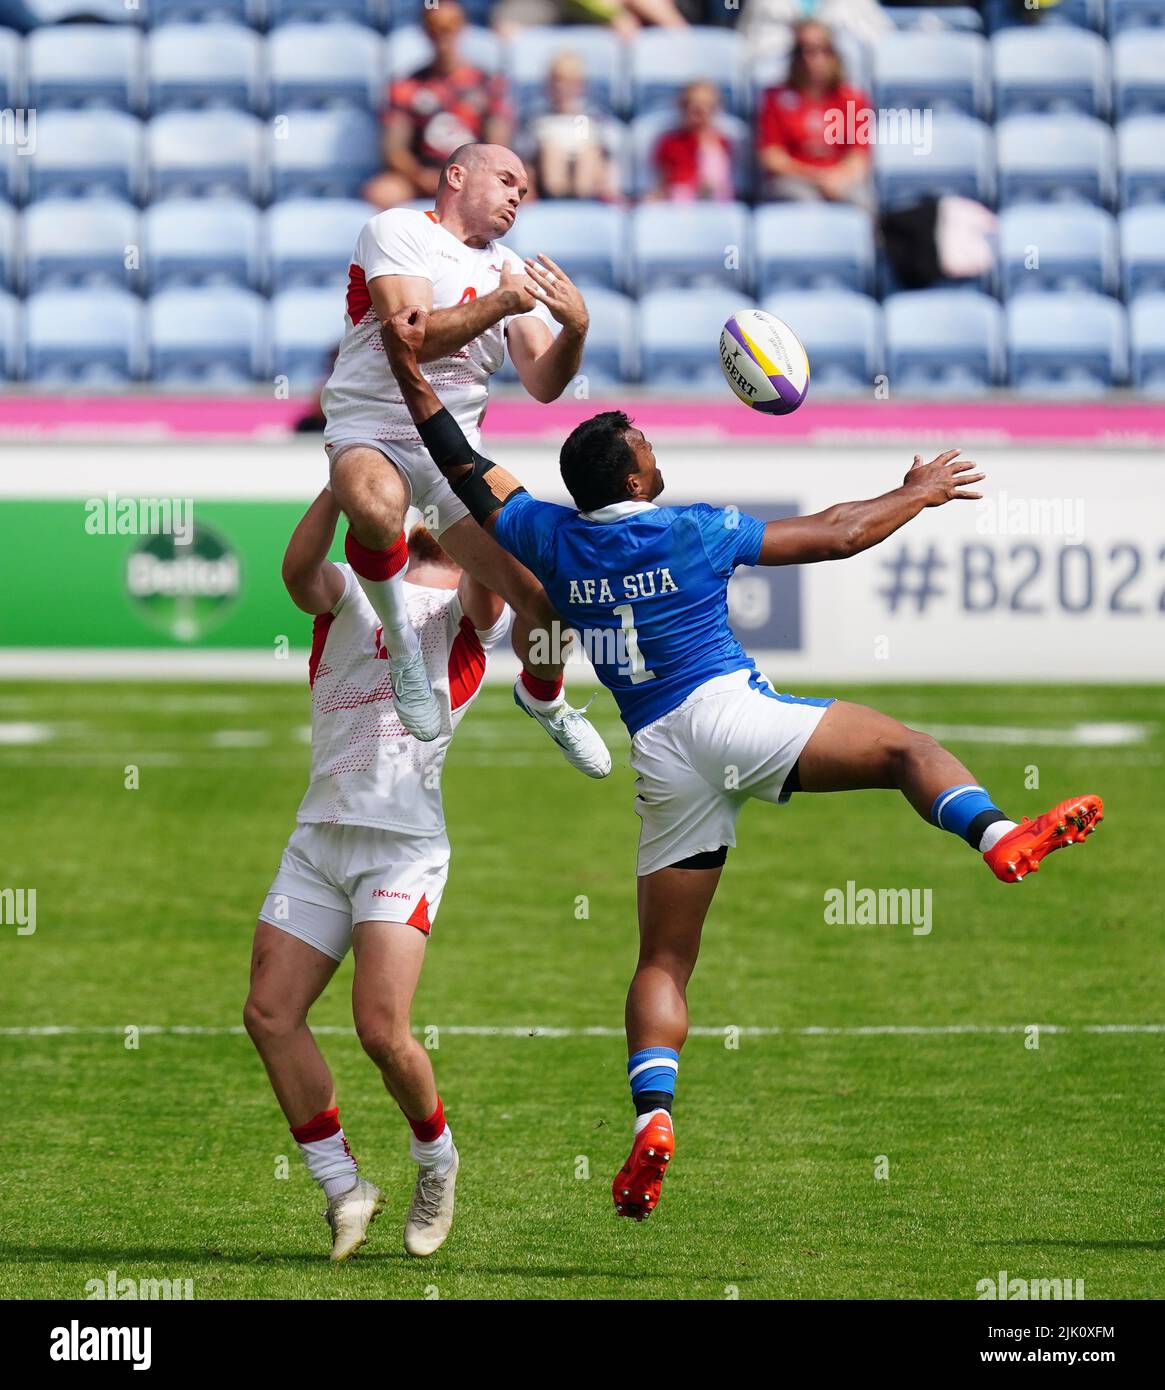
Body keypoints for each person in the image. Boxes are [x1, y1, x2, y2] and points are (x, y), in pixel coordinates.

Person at [381, 302, 1106, 1223]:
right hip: (725, 714)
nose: (652, 447)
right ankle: (998, 835)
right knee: (905, 750)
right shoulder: (693, 529)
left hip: (660, 758)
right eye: (644, 443)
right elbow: (838, 533)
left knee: (665, 960)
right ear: (636, 471)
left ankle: (652, 1120)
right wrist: (915, 491)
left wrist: (409, 371)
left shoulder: (547, 537)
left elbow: (455, 459)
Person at [245, 493, 512, 1261]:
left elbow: (489, 581)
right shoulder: (350, 588)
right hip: (318, 840)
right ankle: (342, 1186)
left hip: (401, 851)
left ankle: (436, 1161)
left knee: (381, 1031)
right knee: (268, 1013)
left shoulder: (469, 613)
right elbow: (298, 573)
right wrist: (343, 475)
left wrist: (457, 491)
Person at [322, 140, 610, 779]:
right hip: (373, 425)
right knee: (373, 503)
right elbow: (411, 339)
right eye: (507, 180)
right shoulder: (397, 229)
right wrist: (506, 302)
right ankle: (403, 648)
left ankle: (547, 699)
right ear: (457, 175)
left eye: (525, 192)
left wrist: (577, 331)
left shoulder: (511, 269)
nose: (517, 197)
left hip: (456, 453)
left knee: (546, 598)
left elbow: (543, 381)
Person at [364, 2, 512, 212]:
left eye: (449, 27)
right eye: (434, 28)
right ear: (424, 31)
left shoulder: (487, 85)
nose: (442, 36)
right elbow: (394, 150)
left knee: (521, 192)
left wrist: (470, 179)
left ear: (463, 27)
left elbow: (498, 146)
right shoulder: (406, 86)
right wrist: (421, 176)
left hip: (474, 174)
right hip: (421, 175)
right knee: (382, 192)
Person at [756, 20, 875, 210]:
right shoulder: (775, 98)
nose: (810, 58)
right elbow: (772, 157)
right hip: (794, 179)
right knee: (803, 203)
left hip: (840, 178)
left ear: (833, 55)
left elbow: (859, 158)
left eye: (819, 50)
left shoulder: (853, 99)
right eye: (803, 50)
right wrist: (814, 176)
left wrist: (837, 177)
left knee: (860, 202)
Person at [522, 51, 622, 203]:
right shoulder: (537, 120)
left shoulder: (593, 119)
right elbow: (527, 160)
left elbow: (605, 159)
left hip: (587, 183)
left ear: (581, 86)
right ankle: (558, 198)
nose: (562, 89)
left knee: (589, 153)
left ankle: (583, 200)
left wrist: (609, 188)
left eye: (569, 83)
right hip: (549, 183)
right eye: (557, 82)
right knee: (551, 152)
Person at [651, 81, 737, 203]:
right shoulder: (669, 143)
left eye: (707, 106)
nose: (701, 112)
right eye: (694, 106)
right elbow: (662, 184)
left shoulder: (723, 142)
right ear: (682, 108)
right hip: (678, 208)